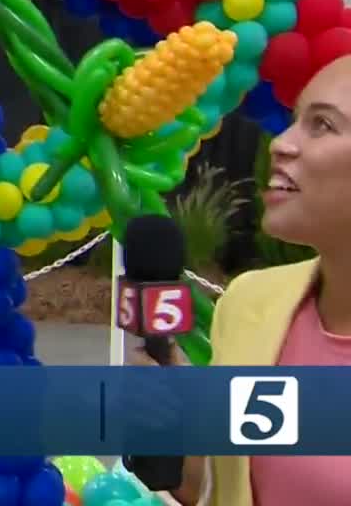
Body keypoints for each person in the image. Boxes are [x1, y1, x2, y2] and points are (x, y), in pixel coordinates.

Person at [136, 54, 351, 506]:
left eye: (323, 125)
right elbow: (227, 487)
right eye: (294, 120)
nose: (281, 144)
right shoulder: (252, 302)